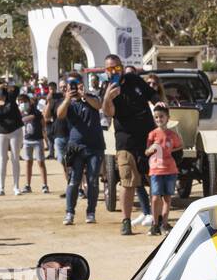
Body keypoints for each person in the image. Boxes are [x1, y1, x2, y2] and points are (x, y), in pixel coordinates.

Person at [100, 54, 156, 235]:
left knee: (155, 179)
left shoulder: (134, 79)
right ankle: (126, 221)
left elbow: (152, 94)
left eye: (116, 68)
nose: (113, 72)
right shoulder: (106, 88)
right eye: (109, 69)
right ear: (105, 71)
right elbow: (110, 113)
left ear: (122, 67)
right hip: (125, 141)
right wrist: (108, 98)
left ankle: (158, 219)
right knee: (128, 182)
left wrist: (160, 103)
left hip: (148, 138)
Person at [57, 73, 105, 225]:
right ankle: (69, 213)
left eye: (75, 84)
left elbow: (99, 105)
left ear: (81, 83)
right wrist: (67, 98)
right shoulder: (68, 103)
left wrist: (85, 95)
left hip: (95, 147)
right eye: (70, 84)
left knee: (93, 180)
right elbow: (60, 115)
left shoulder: (91, 97)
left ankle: (91, 212)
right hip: (76, 148)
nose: (73, 88)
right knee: (74, 180)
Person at [144, 105, 182, 235]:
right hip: (156, 170)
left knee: (167, 198)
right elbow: (147, 151)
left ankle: (164, 224)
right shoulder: (152, 134)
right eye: (156, 117)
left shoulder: (173, 135)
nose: (159, 119)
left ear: (168, 118)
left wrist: (170, 152)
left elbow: (179, 147)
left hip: (170, 170)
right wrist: (151, 150)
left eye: (161, 116)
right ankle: (155, 224)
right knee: (155, 198)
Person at [0, 81, 24, 196]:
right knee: (2, 159)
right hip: (1, 131)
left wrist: (3, 85)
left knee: (15, 158)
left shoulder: (10, 96)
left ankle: (16, 187)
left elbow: (17, 88)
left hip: (15, 130)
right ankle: (1, 188)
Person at [19, 93, 49, 194]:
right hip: (26, 140)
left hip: (37, 140)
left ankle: (45, 185)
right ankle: (27, 185)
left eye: (24, 102)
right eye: (20, 102)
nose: (22, 104)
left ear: (29, 102)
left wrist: (44, 134)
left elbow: (42, 121)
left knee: (41, 162)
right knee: (28, 162)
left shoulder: (35, 111)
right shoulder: (20, 113)